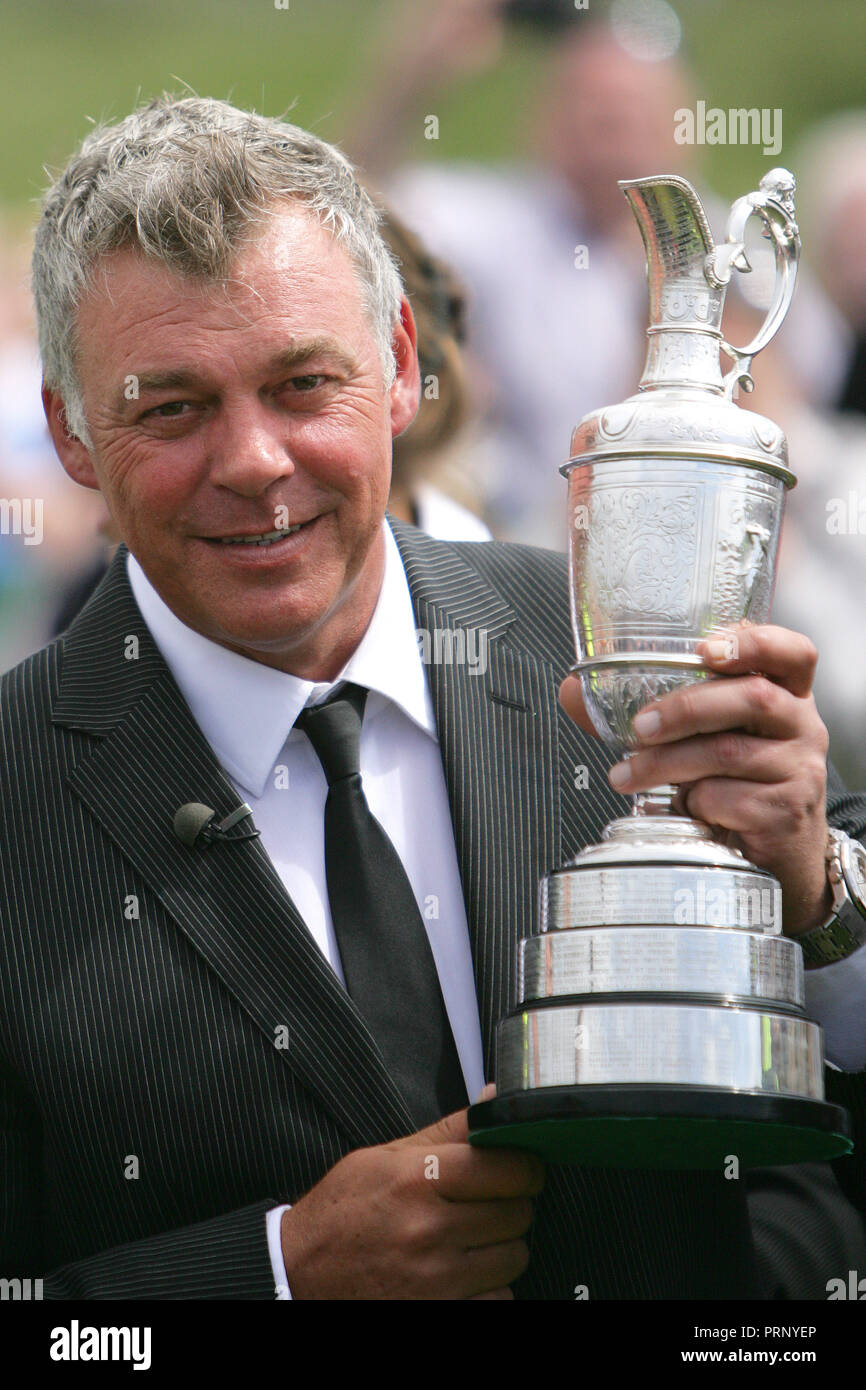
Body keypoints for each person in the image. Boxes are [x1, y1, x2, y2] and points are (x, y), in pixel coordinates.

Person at [2, 95, 864, 1300]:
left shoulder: (630, 644)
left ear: (402, 366)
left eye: (303, 383)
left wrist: (815, 904)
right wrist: (277, 1274)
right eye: (172, 408)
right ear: (71, 433)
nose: (253, 460)